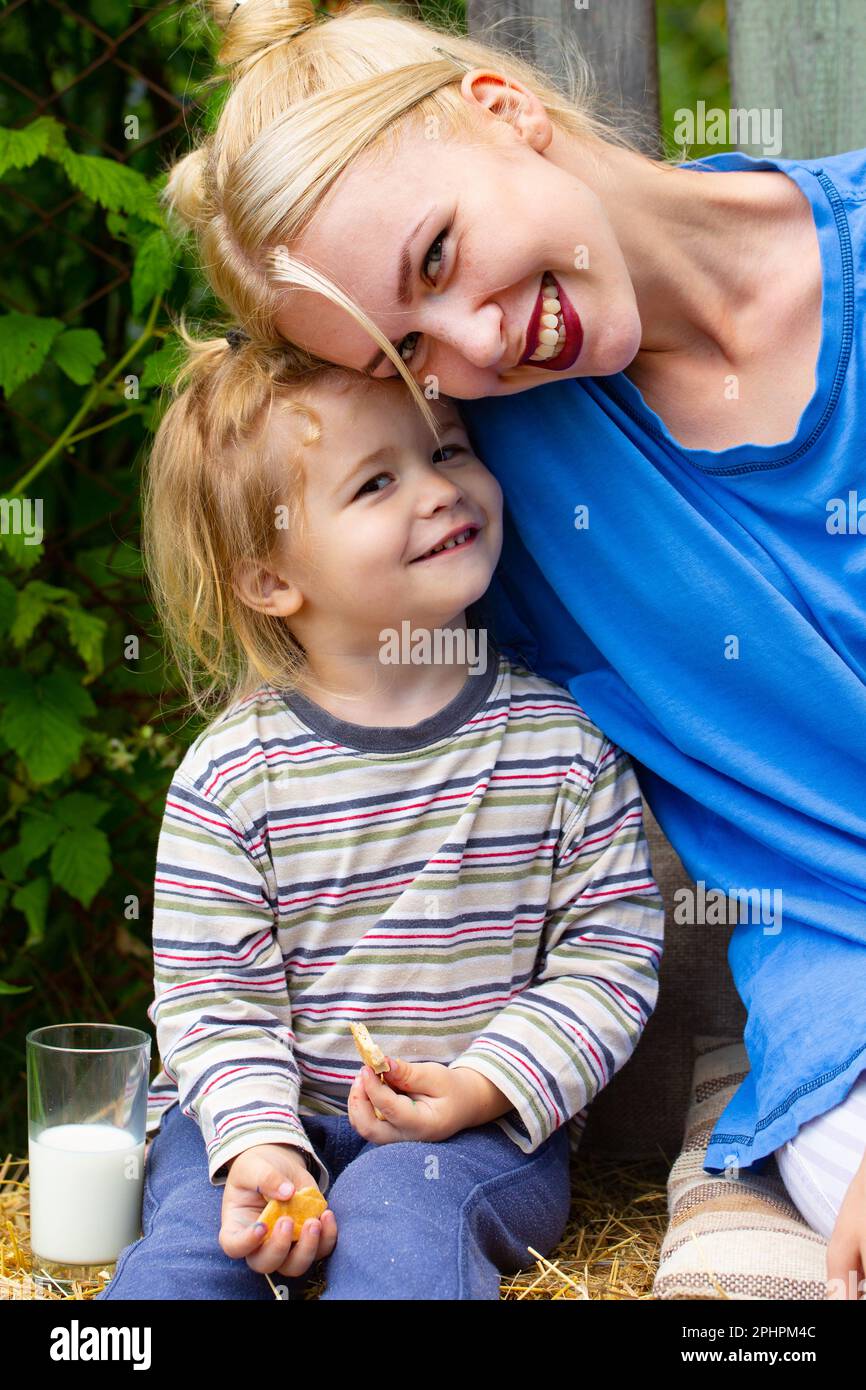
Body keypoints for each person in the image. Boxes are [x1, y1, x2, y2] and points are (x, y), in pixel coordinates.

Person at [159, 0, 866, 1295]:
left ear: (503, 107)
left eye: (438, 254)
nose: (481, 348)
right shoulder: (498, 472)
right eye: (413, 352)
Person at [96, 333, 663, 1299]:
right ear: (272, 578)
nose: (438, 489)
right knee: (194, 1247)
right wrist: (258, 1144)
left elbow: (609, 960)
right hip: (256, 1117)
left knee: (403, 1222)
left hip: (474, 1134)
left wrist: (484, 1085)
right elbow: (211, 1002)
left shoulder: (562, 745)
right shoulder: (231, 777)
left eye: (447, 449)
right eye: (375, 484)